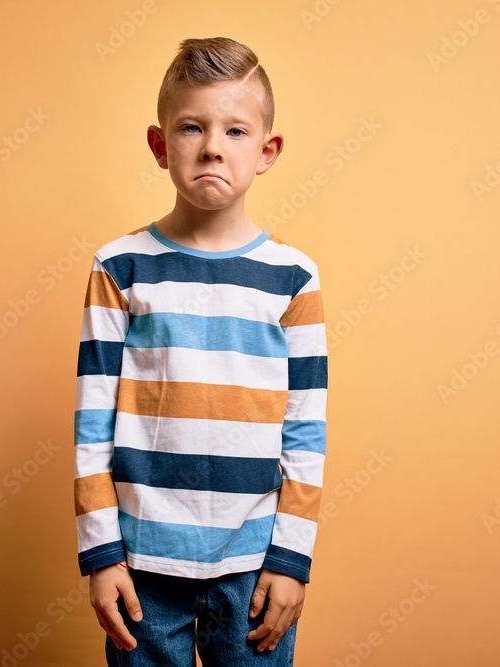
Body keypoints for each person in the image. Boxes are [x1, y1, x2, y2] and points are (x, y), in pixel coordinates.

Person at [74, 36, 327, 666]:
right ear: (161, 146)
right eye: (191, 127)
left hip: (254, 565)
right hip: (140, 562)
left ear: (266, 151)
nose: (213, 145)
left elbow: (306, 431)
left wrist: (292, 560)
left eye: (236, 130)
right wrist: (101, 554)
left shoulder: (294, 278)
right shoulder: (120, 269)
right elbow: (91, 423)